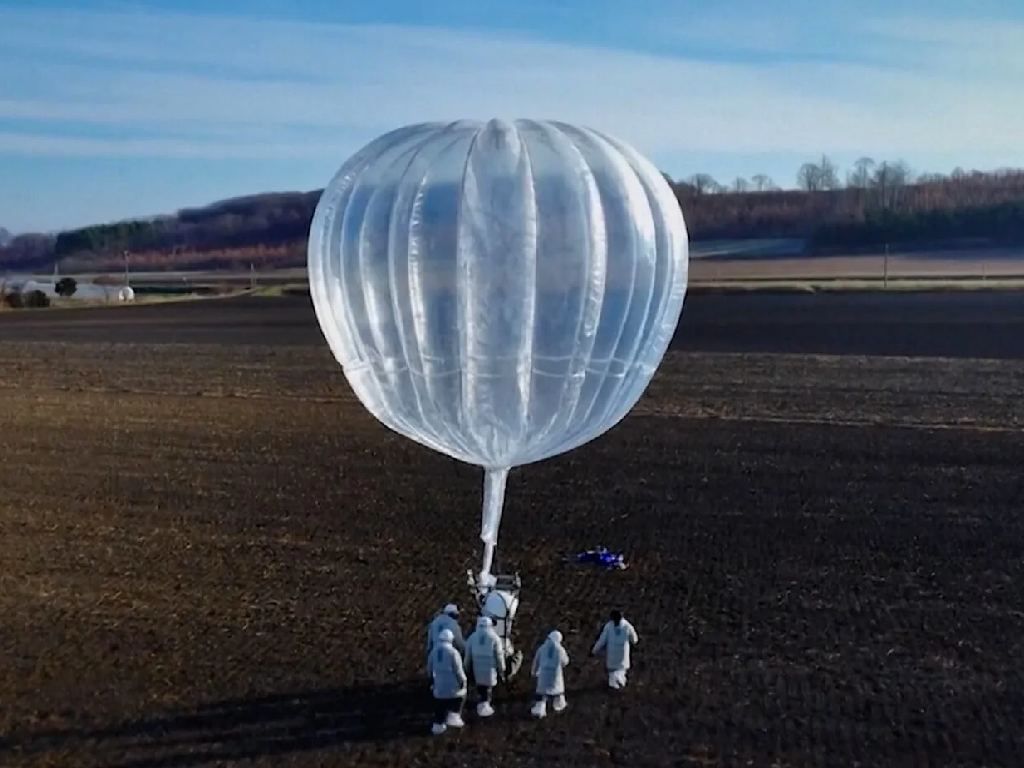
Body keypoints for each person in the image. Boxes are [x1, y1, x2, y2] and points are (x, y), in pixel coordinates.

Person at [428, 628, 468, 735]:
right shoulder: (453, 653)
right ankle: (454, 715)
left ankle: (438, 725)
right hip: (453, 690)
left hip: (439, 691)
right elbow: (459, 671)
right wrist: (463, 682)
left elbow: (429, 670)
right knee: (462, 693)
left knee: (440, 704)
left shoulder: (433, 652)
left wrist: (432, 683)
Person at [463, 615, 505, 717]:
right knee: (488, 687)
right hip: (490, 668)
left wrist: (466, 668)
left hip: (477, 669)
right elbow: (499, 655)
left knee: (481, 686)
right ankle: (484, 706)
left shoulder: (472, 637)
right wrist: (502, 668)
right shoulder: (495, 638)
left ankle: (482, 702)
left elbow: (467, 655)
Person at [591, 609, 639, 689]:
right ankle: (620, 685)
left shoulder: (609, 626)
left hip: (612, 657)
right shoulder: (627, 626)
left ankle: (615, 687)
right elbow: (635, 640)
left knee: (613, 676)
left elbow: (602, 640)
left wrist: (594, 651)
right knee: (621, 672)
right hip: (623, 656)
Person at [530, 629, 569, 718]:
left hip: (543, 674)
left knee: (542, 694)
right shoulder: (560, 649)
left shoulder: (542, 648)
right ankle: (559, 705)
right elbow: (565, 661)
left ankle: (539, 710)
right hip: (555, 674)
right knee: (558, 691)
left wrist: (534, 672)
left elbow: (536, 661)